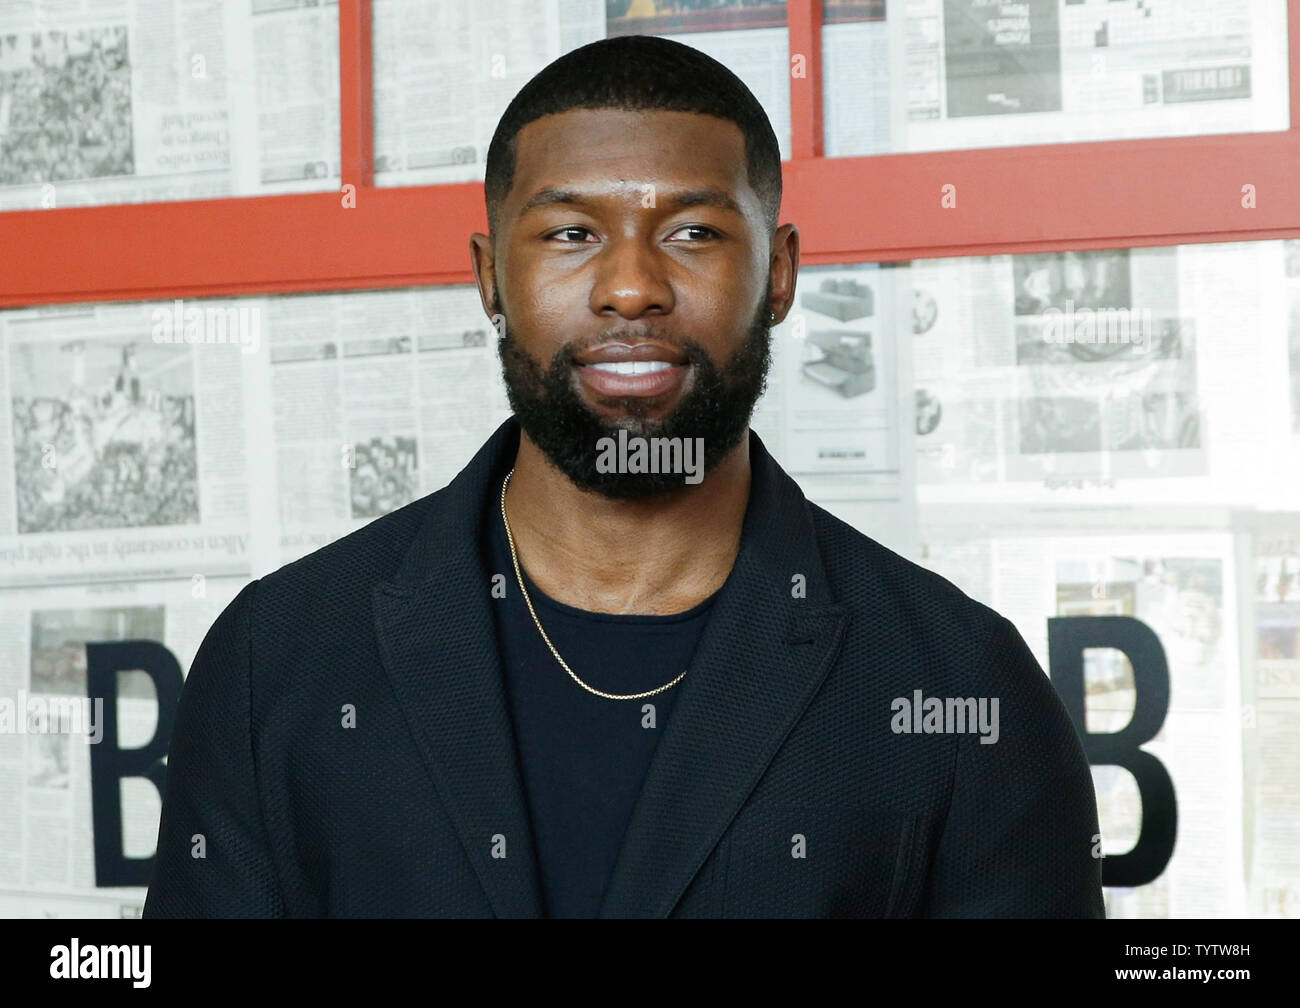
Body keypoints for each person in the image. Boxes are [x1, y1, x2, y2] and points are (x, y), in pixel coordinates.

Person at [144, 34, 1104, 918]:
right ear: (490, 277)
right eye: (570, 234)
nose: (632, 285)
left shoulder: (959, 683)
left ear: (780, 274)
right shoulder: (278, 661)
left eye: (694, 232)